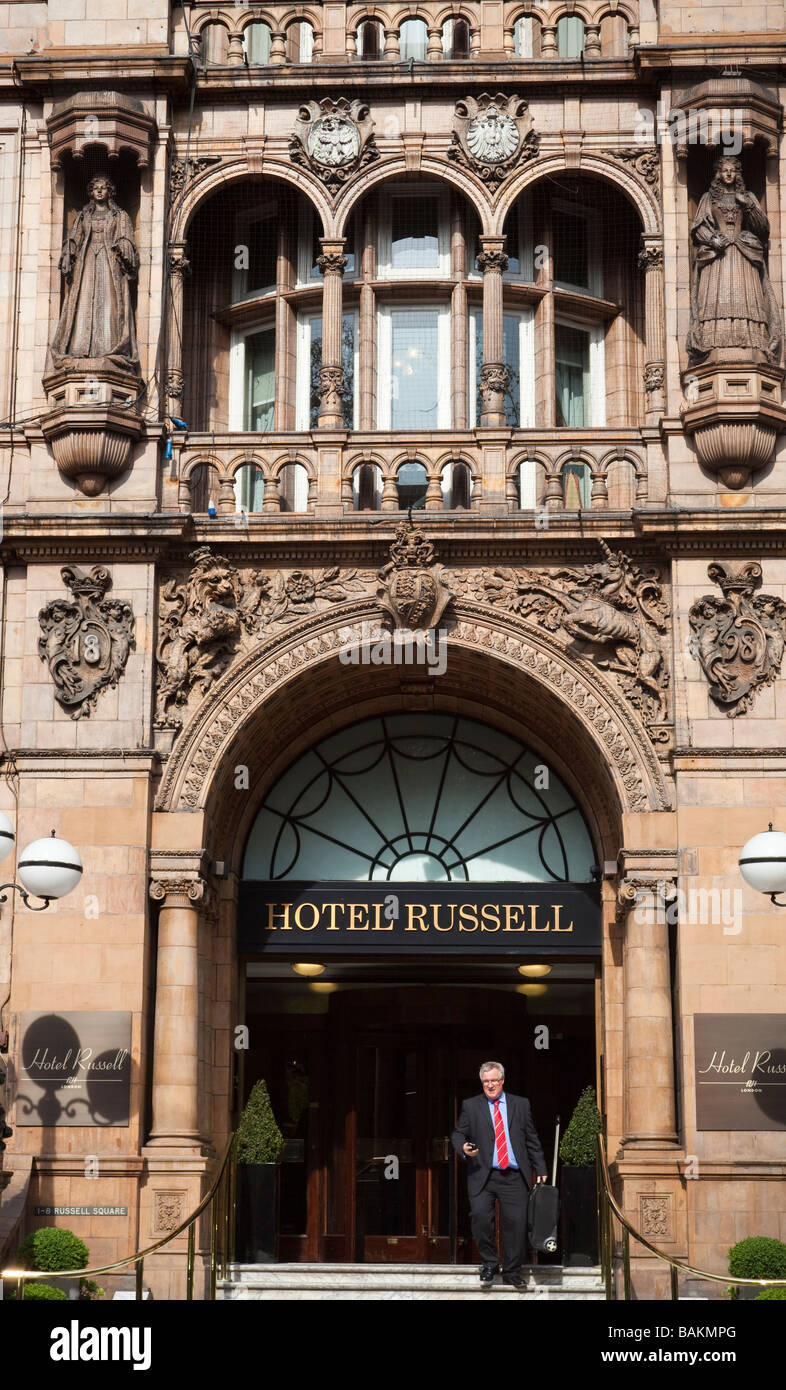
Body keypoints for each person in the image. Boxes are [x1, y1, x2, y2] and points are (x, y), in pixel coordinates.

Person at [451, 1060, 548, 1288]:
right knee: (480, 1218)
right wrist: (463, 1148)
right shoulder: (471, 1105)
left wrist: (541, 1168)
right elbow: (457, 1134)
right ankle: (490, 1264)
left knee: (516, 1224)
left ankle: (512, 1271)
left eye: (494, 1080)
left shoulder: (521, 1105)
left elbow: (532, 1139)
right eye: (486, 1082)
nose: (490, 1085)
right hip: (483, 1174)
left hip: (514, 1175)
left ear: (502, 1080)